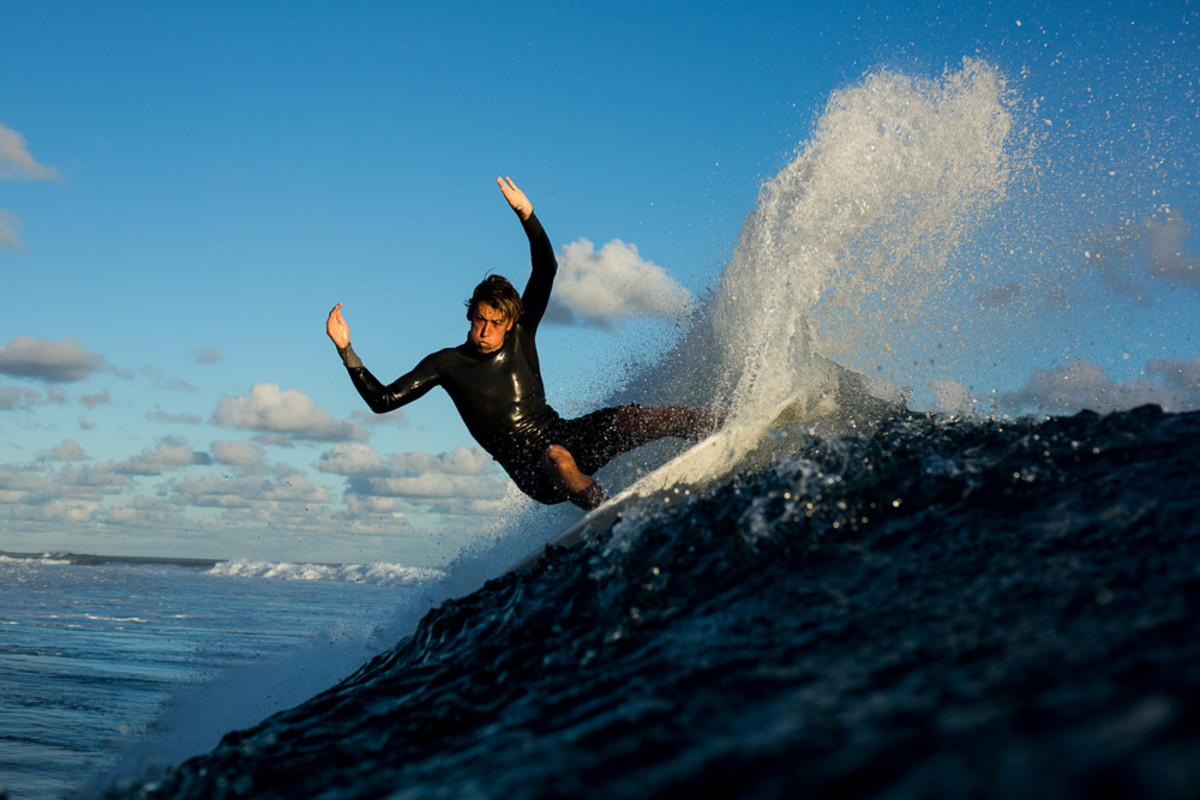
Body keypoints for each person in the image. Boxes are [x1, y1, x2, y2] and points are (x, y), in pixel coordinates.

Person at [326, 177, 719, 510]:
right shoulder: (446, 364)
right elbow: (383, 401)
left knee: (632, 418)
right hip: (532, 469)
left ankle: (722, 424)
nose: (484, 330)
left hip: (566, 432)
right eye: (479, 319)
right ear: (469, 316)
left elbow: (546, 268)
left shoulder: (521, 333)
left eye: (495, 323)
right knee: (558, 457)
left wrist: (526, 214)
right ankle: (611, 514)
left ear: (510, 322)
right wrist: (347, 351)